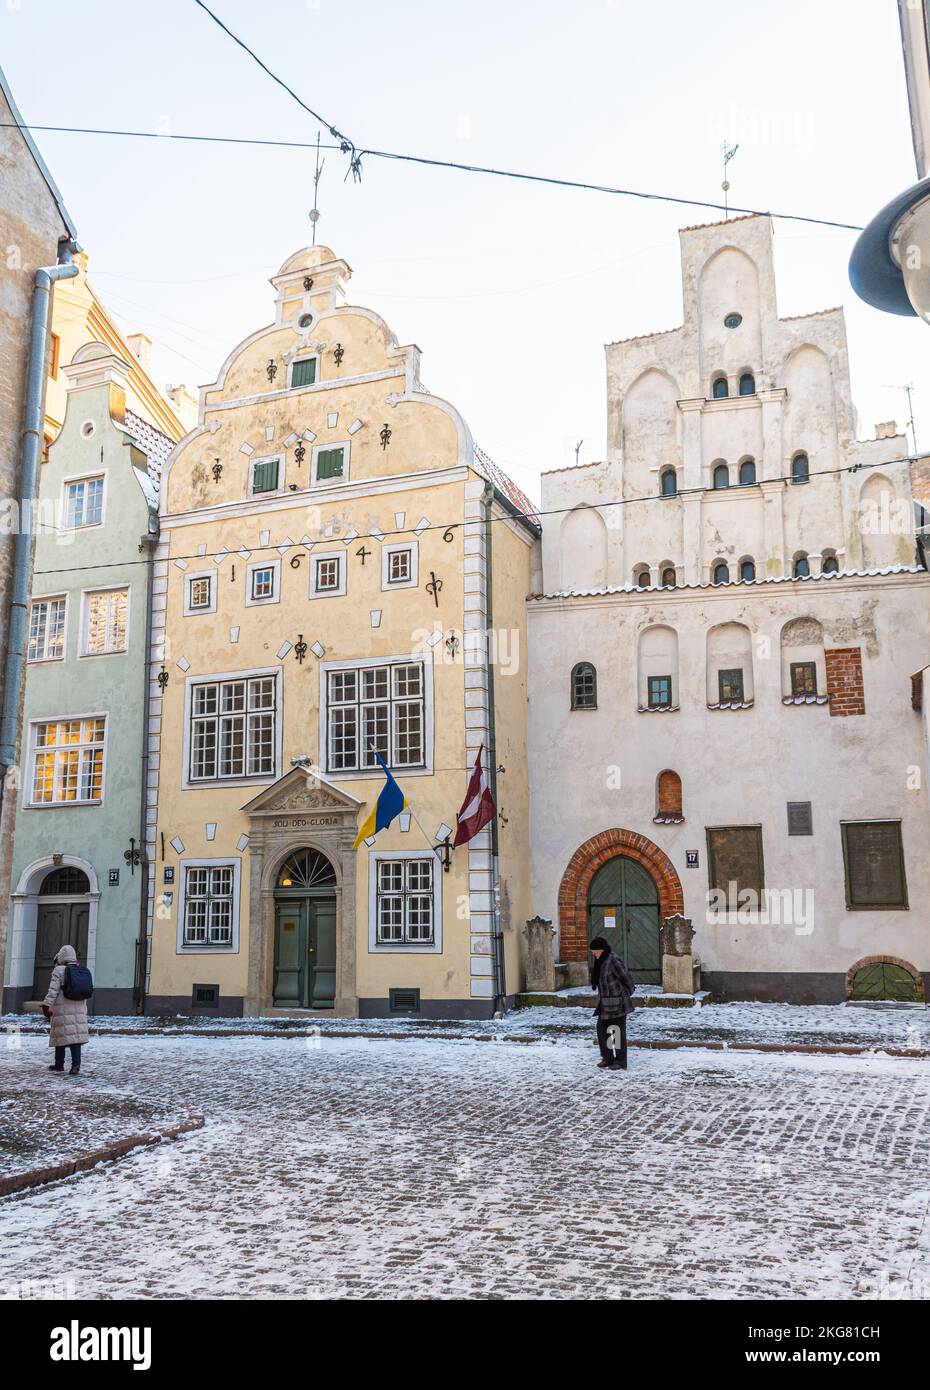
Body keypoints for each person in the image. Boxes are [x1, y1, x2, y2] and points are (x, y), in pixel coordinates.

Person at [42, 944, 89, 1075]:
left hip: (62, 1008)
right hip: (79, 1008)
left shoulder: (59, 970)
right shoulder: (80, 969)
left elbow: (53, 991)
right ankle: (76, 1066)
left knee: (60, 1036)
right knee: (76, 1039)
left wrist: (46, 1005)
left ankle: (59, 1064)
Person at [589, 935, 635, 1070]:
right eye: (593, 952)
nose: (594, 954)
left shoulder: (613, 960)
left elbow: (627, 978)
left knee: (617, 1032)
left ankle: (620, 1061)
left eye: (595, 952)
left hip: (618, 1003)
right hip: (605, 1003)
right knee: (603, 1030)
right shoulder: (600, 962)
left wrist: (624, 996)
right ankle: (608, 1058)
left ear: (602, 950)